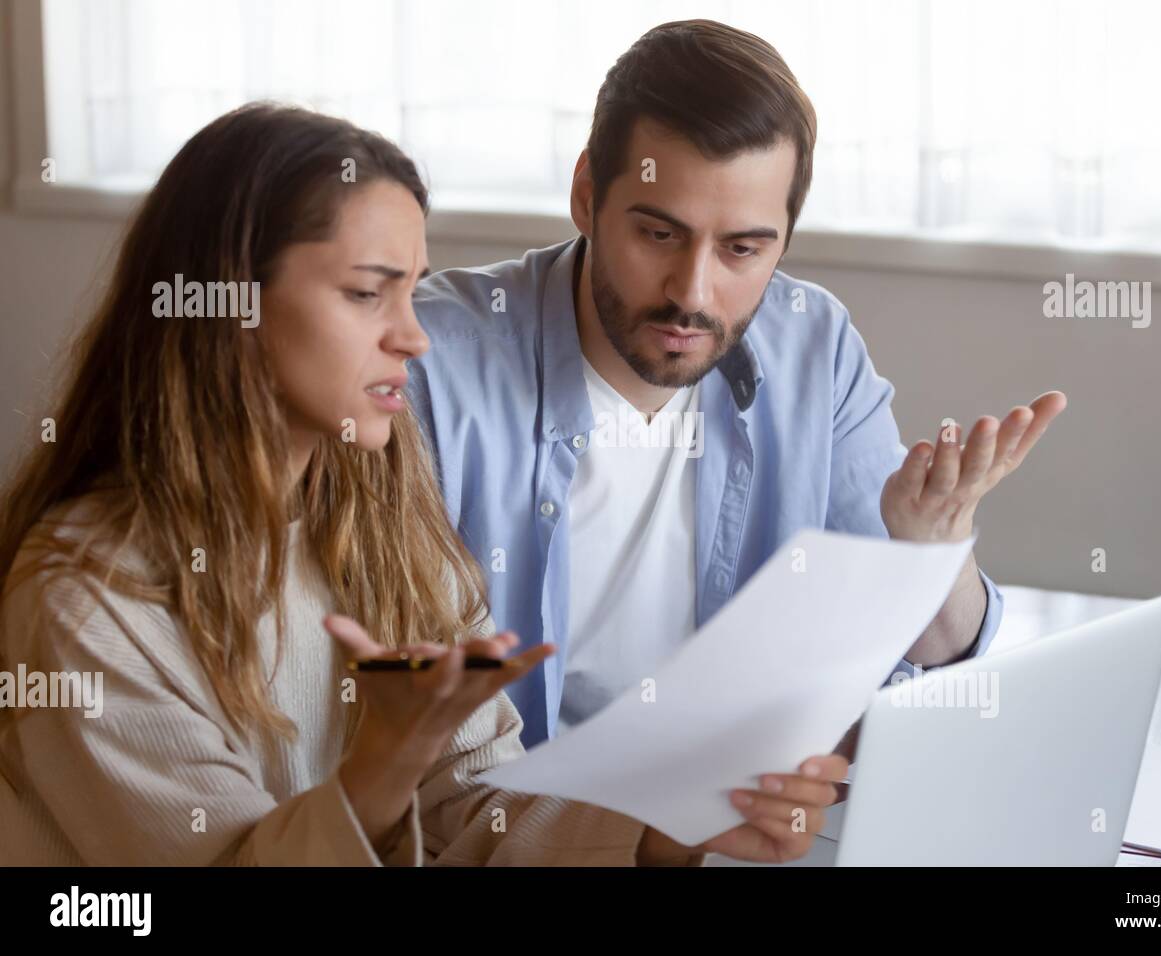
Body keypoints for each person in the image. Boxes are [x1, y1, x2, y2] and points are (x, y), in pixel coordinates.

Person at [0, 103, 846, 866]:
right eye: (369, 294)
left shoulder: (378, 508)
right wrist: (377, 776)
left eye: (411, 293)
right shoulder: (89, 603)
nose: (413, 337)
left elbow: (476, 805)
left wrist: (666, 831)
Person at [407, 19, 1067, 748]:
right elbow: (404, 737)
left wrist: (934, 551)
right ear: (588, 195)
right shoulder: (429, 367)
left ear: (785, 237)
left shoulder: (815, 346)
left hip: (737, 830)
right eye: (659, 234)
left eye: (742, 249)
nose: (692, 293)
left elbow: (921, 673)